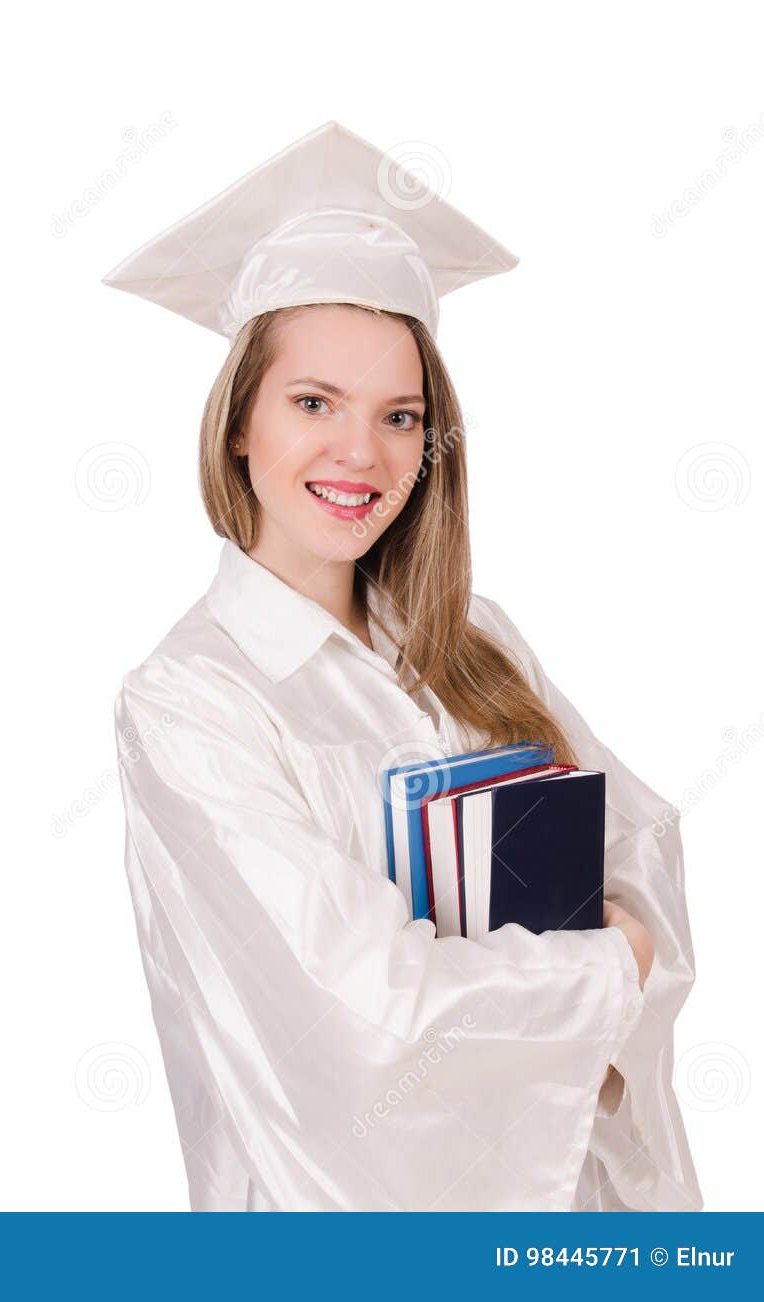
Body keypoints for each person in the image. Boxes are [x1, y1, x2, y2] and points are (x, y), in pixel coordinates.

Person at [103, 121, 700, 1211]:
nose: (359, 454)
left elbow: (640, 845)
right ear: (239, 422)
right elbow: (363, 1007)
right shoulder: (193, 698)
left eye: (399, 417)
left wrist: (615, 954)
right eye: (313, 403)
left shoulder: (479, 641)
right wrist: (609, 970)